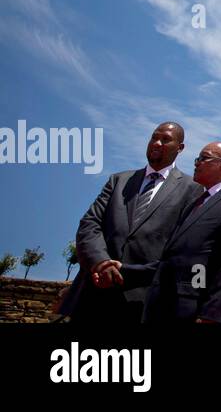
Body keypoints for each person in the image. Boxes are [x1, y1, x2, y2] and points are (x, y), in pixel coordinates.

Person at [58, 122, 203, 323]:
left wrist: (127, 272)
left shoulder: (193, 190)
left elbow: (181, 249)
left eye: (166, 139)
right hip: (94, 292)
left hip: (142, 300)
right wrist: (100, 263)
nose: (157, 143)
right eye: (154, 137)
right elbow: (90, 224)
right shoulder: (119, 181)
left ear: (180, 148)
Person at [108, 141, 221, 323]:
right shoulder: (195, 203)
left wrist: (212, 313)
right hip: (160, 308)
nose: (196, 163)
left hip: (193, 310)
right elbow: (171, 261)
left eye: (203, 158)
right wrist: (123, 270)